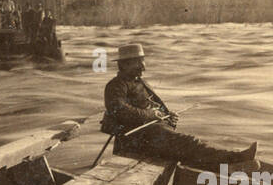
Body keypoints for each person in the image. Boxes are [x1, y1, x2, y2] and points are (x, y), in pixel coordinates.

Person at [103, 44, 256, 166]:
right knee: (188, 143)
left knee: (187, 147)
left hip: (151, 135)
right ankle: (234, 158)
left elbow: (156, 109)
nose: (143, 67)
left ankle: (232, 161)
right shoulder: (116, 86)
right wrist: (152, 115)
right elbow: (119, 110)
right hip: (134, 141)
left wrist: (168, 117)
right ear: (124, 64)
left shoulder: (140, 83)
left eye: (143, 61)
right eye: (138, 63)